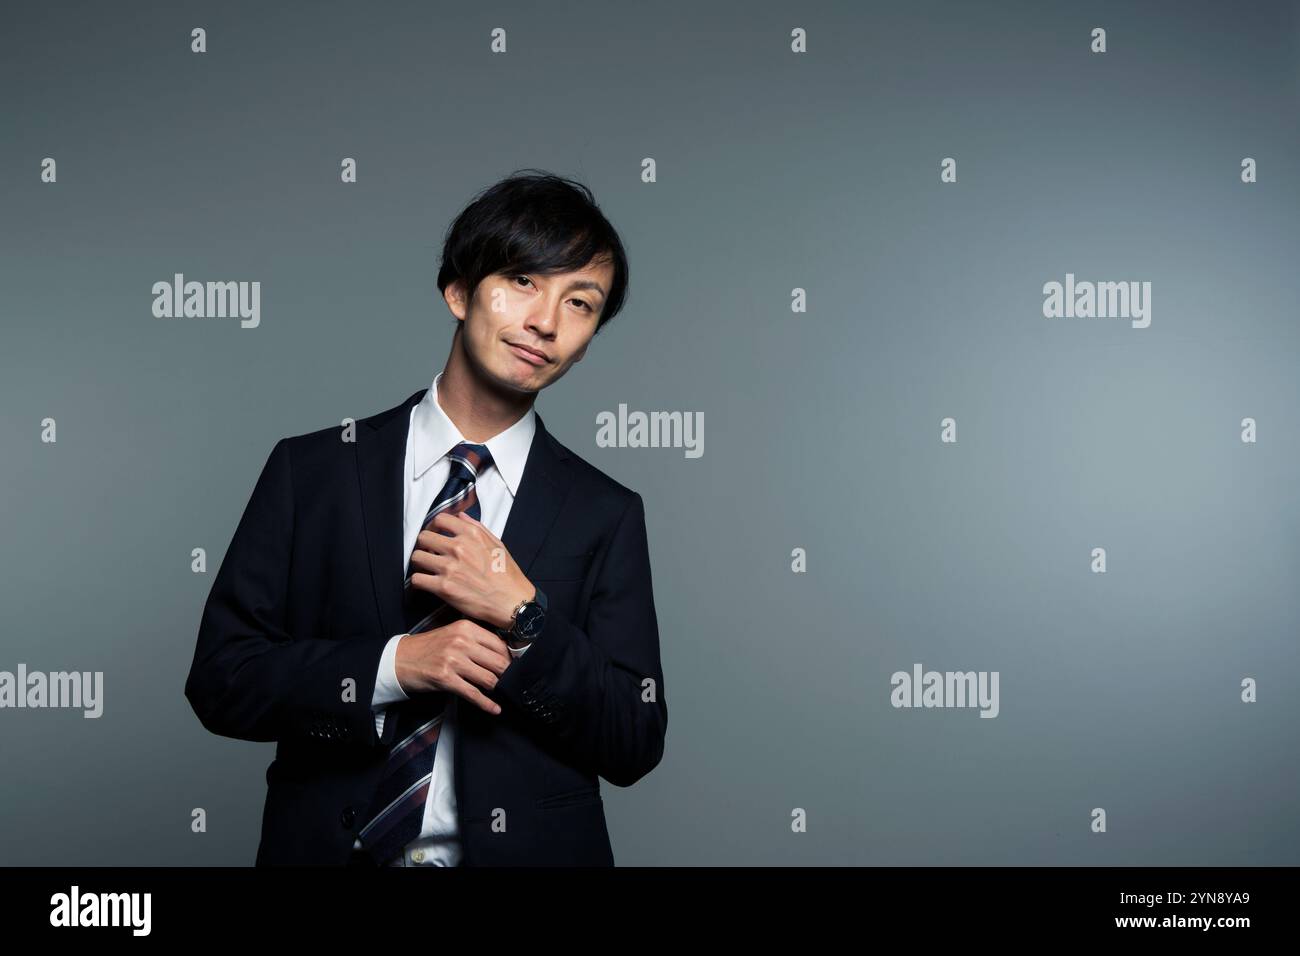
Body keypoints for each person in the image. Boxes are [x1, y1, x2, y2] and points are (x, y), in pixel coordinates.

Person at [184, 170, 667, 866]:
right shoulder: (312, 472)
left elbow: (634, 740)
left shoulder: (605, 512)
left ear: (589, 338)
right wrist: (395, 666)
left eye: (580, 302)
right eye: (523, 281)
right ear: (459, 290)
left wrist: (526, 617)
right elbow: (222, 680)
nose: (546, 321)